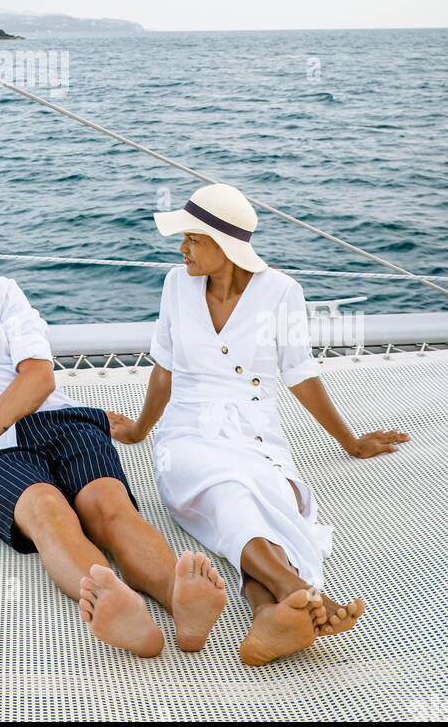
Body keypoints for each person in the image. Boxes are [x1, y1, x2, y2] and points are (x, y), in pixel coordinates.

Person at [0, 204, 227, 659]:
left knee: (108, 507)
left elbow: (38, 378)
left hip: (51, 420)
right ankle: (124, 609)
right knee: (47, 510)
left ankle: (181, 603)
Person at [109, 183, 410, 665]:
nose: (182, 248)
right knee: (233, 495)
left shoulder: (281, 292)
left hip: (257, 436)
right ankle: (297, 588)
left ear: (224, 246)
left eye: (192, 239)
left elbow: (300, 374)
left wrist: (351, 441)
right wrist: (140, 432)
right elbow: (163, 373)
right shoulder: (175, 284)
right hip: (188, 436)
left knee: (273, 501)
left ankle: (269, 617)